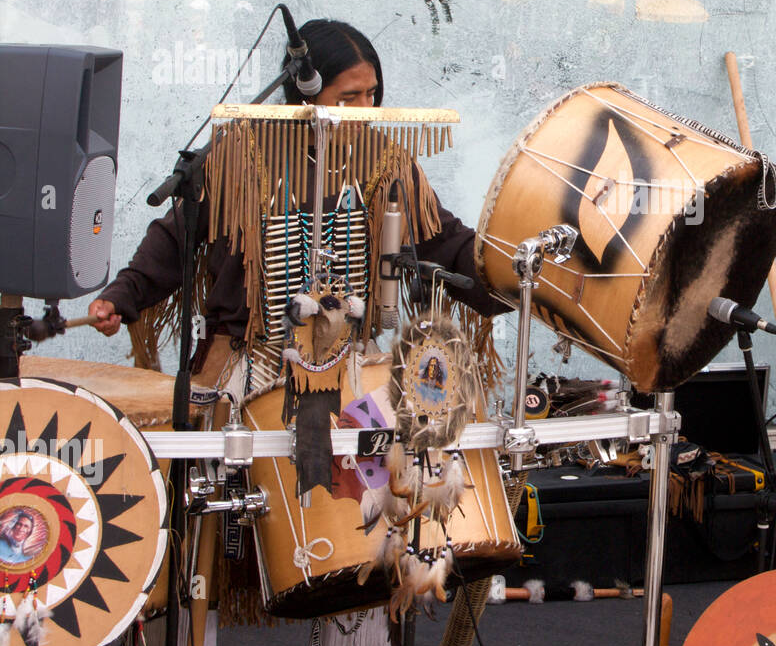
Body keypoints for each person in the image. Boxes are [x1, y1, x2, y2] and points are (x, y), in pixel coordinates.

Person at [88, 19, 508, 383]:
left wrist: (510, 275)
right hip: (246, 361)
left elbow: (444, 241)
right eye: (349, 98)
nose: (366, 109)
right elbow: (174, 239)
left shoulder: (385, 161)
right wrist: (122, 295)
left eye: (371, 94)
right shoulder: (239, 153)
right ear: (305, 94)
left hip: (348, 363)